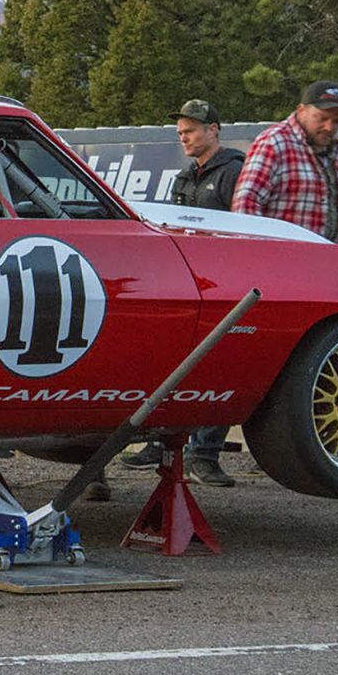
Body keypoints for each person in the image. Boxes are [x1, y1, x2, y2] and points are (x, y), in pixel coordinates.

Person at [120, 99, 243, 486]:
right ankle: (160, 444)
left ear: (213, 129)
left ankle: (204, 455)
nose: (184, 137)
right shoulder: (184, 177)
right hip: (191, 283)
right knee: (174, 365)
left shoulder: (234, 173)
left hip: (228, 284)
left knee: (219, 365)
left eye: (190, 130)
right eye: (180, 132)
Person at [231, 81, 338, 241]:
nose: (329, 127)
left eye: (336, 121)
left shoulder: (331, 154)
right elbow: (245, 205)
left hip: (321, 258)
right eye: (322, 118)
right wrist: (258, 254)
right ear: (301, 110)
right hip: (277, 259)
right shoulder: (274, 142)